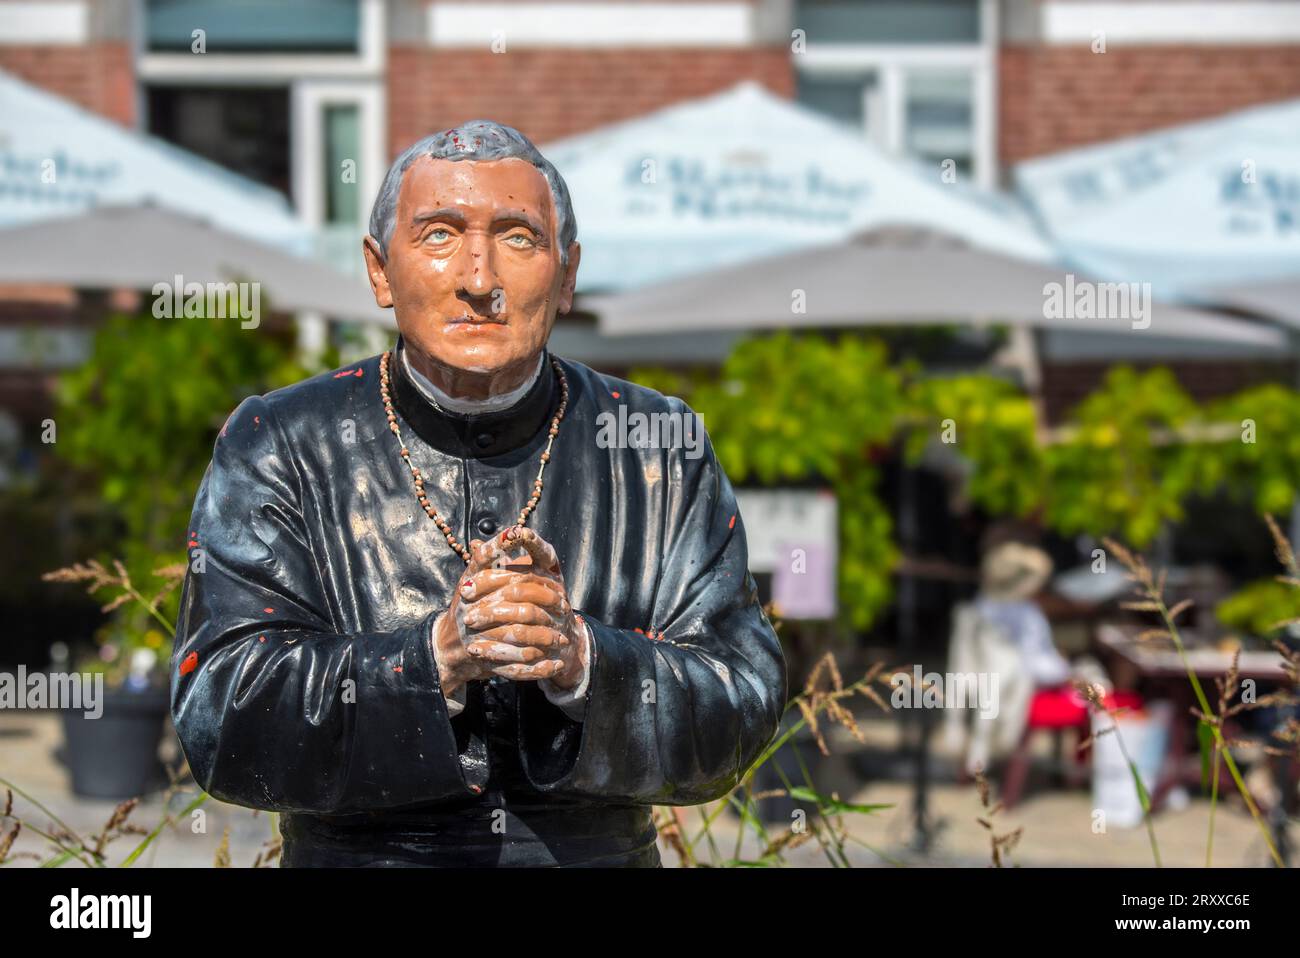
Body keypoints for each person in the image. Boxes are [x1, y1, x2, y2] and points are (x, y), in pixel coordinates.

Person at [170, 121, 787, 867]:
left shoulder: (658, 443)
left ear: (567, 274)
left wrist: (585, 660)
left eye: (519, 238)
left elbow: (744, 698)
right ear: (379, 270)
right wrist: (431, 659)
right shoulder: (280, 439)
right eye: (437, 235)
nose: (479, 278)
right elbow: (220, 715)